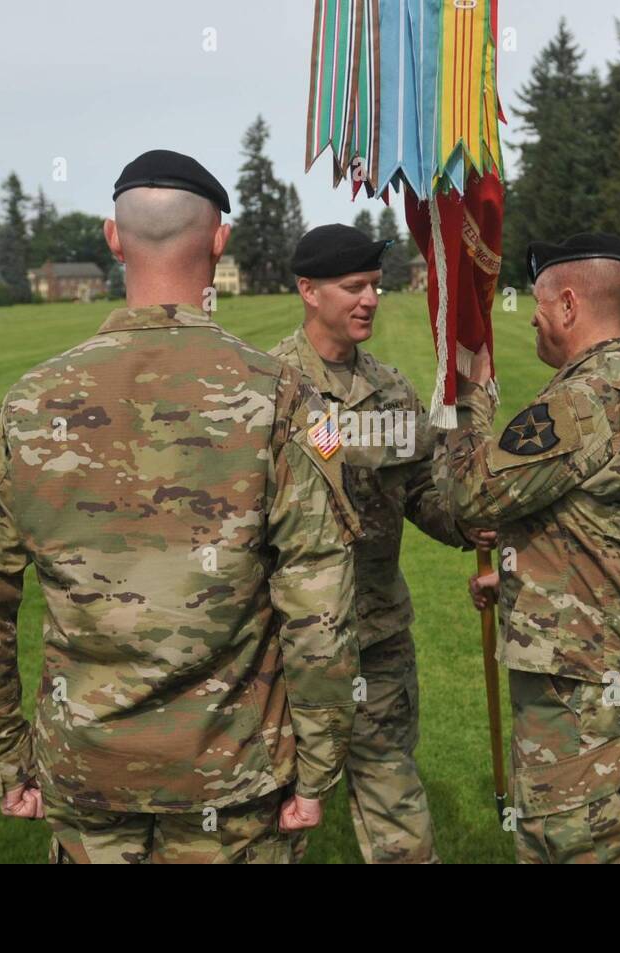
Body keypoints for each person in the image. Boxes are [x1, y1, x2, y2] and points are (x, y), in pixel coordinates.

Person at [0, 150, 361, 864]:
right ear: (219, 240)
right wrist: (317, 769)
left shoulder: (31, 402)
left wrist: (4, 758)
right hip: (231, 777)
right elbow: (319, 604)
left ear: (112, 238)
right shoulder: (283, 396)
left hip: (88, 771)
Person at [442, 233, 620, 863]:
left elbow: (471, 494)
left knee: (570, 845)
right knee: (618, 841)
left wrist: (471, 398)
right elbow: (612, 542)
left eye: (537, 302)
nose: (530, 316)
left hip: (574, 692)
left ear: (568, 304)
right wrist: (519, 576)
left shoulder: (583, 402)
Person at [270, 224, 479, 863]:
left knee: (392, 787)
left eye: (375, 287)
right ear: (308, 290)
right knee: (272, 805)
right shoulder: (270, 387)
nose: (369, 300)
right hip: (287, 641)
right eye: (353, 286)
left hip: (376, 633)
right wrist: (414, 436)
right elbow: (327, 448)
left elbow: (424, 495)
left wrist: (473, 519)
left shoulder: (392, 388)